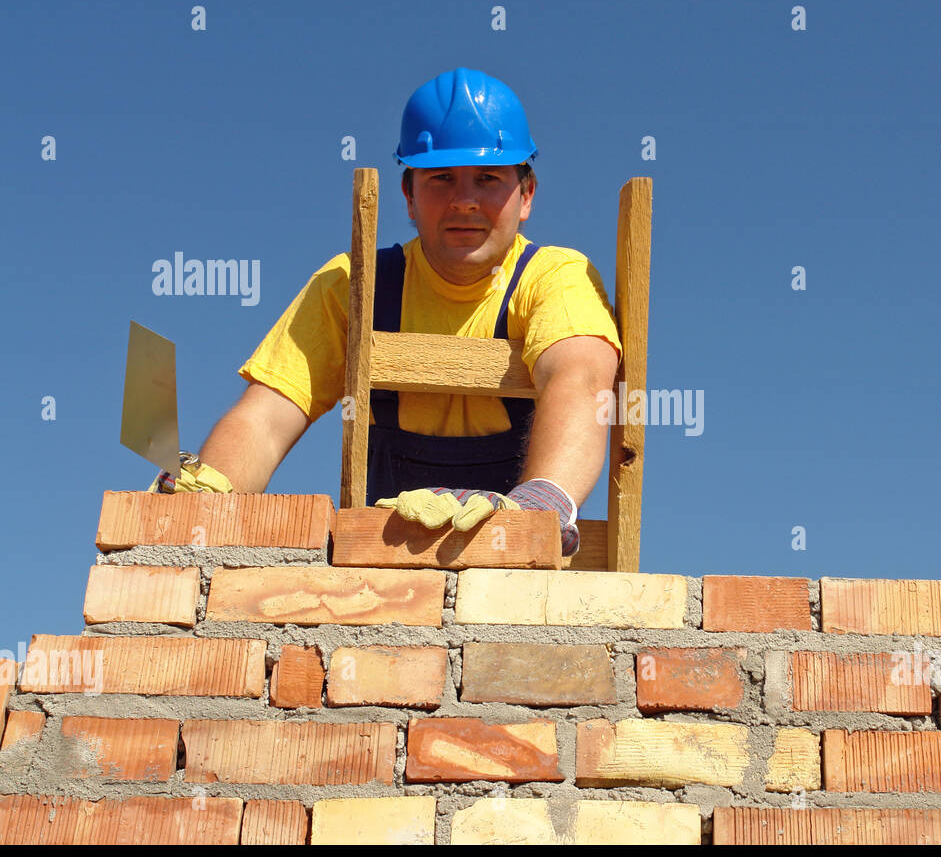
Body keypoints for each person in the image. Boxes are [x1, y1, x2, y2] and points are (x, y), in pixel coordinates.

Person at [149, 68, 622, 557]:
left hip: (520, 574)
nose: (464, 200)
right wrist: (203, 504)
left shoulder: (553, 277)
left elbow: (582, 380)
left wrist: (540, 505)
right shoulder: (357, 286)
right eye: (441, 178)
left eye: (488, 178)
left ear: (526, 195)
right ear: (408, 196)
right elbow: (267, 419)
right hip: (383, 577)